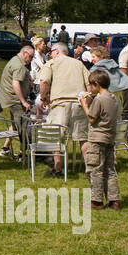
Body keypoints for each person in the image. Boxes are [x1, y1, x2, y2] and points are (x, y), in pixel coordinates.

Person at [37, 41, 89, 174]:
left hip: (59, 105)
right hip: (79, 104)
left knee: (56, 138)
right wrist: (87, 100)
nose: (50, 55)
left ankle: (58, 167)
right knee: (83, 138)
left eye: (51, 53)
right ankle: (91, 167)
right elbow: (90, 84)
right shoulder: (78, 63)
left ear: (57, 52)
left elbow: (43, 82)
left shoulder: (51, 63)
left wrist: (43, 98)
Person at [80, 68, 120, 209]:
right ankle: (114, 199)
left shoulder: (99, 99)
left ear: (97, 83)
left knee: (95, 169)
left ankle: (96, 201)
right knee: (110, 169)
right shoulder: (114, 98)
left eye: (91, 85)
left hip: (97, 138)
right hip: (109, 138)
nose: (90, 87)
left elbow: (92, 118)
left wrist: (84, 104)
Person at [0, 43, 34, 158]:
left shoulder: (15, 60)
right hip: (16, 101)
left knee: (15, 124)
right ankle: (23, 154)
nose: (31, 60)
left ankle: (5, 148)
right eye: (31, 57)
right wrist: (23, 101)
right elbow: (15, 83)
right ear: (24, 53)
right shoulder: (19, 66)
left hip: (10, 99)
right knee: (23, 128)